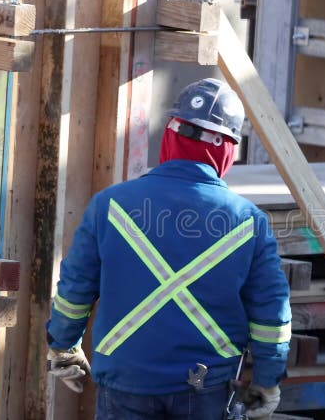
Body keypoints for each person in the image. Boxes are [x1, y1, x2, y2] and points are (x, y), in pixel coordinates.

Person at [45, 78, 292, 420]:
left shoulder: (110, 206)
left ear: (171, 136)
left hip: (125, 380)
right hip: (204, 387)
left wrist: (63, 345)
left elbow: (75, 289)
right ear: (228, 150)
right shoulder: (248, 221)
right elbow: (270, 313)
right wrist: (267, 381)